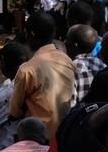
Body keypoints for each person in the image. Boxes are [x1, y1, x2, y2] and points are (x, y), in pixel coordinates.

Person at [9, 10, 74, 139]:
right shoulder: (66, 60)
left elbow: (14, 112)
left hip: (39, 137)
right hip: (65, 133)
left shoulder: (27, 69)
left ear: (30, 35)